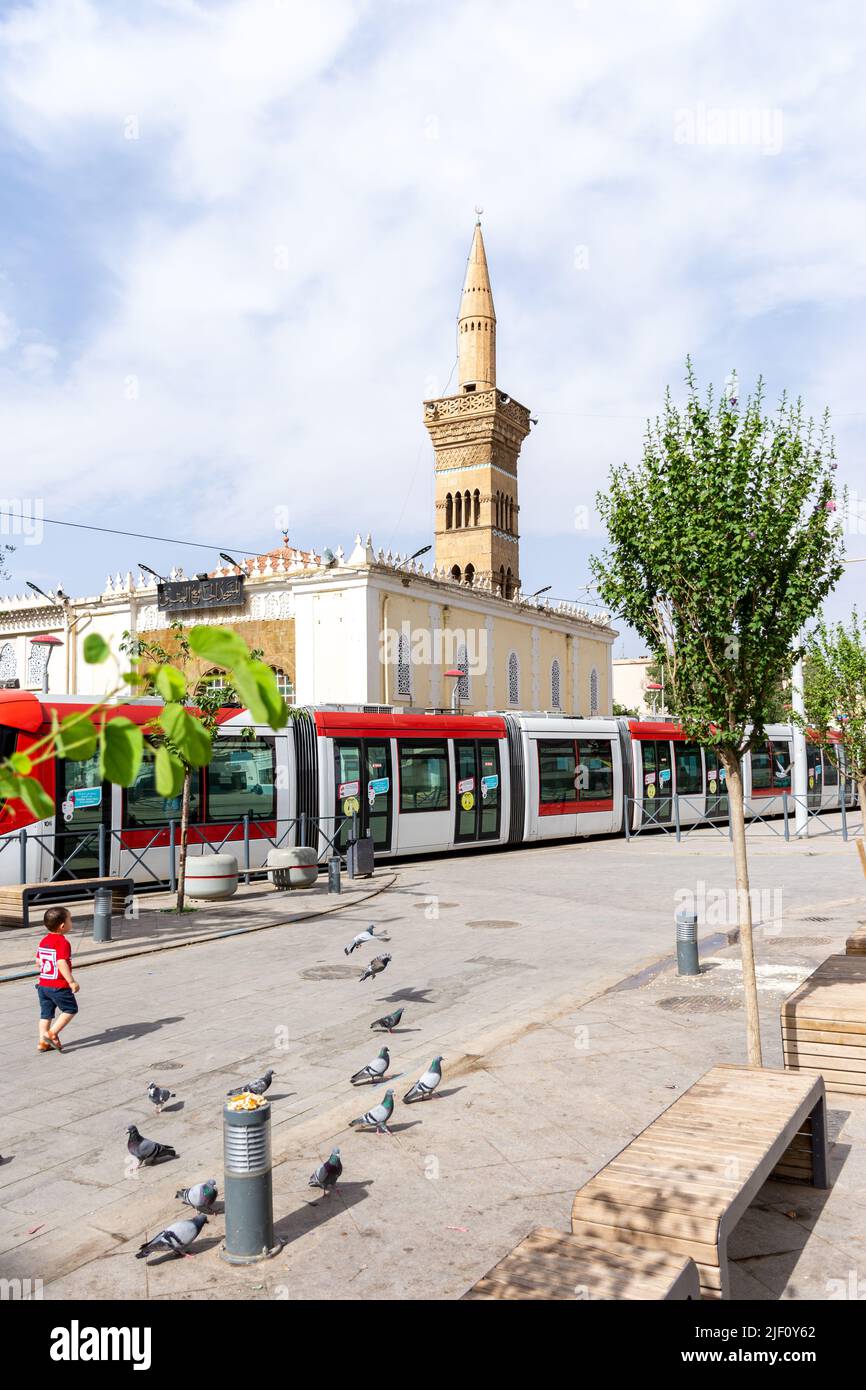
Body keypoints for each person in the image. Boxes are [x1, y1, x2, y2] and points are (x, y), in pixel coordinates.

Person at [35, 905, 79, 1052]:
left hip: (43, 985)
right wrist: (71, 981)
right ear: (62, 926)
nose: (71, 922)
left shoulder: (44, 940)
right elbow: (61, 962)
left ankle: (42, 1042)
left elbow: (38, 961)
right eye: (70, 919)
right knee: (70, 1009)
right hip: (58, 986)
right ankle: (51, 1033)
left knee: (45, 1015)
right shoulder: (63, 942)